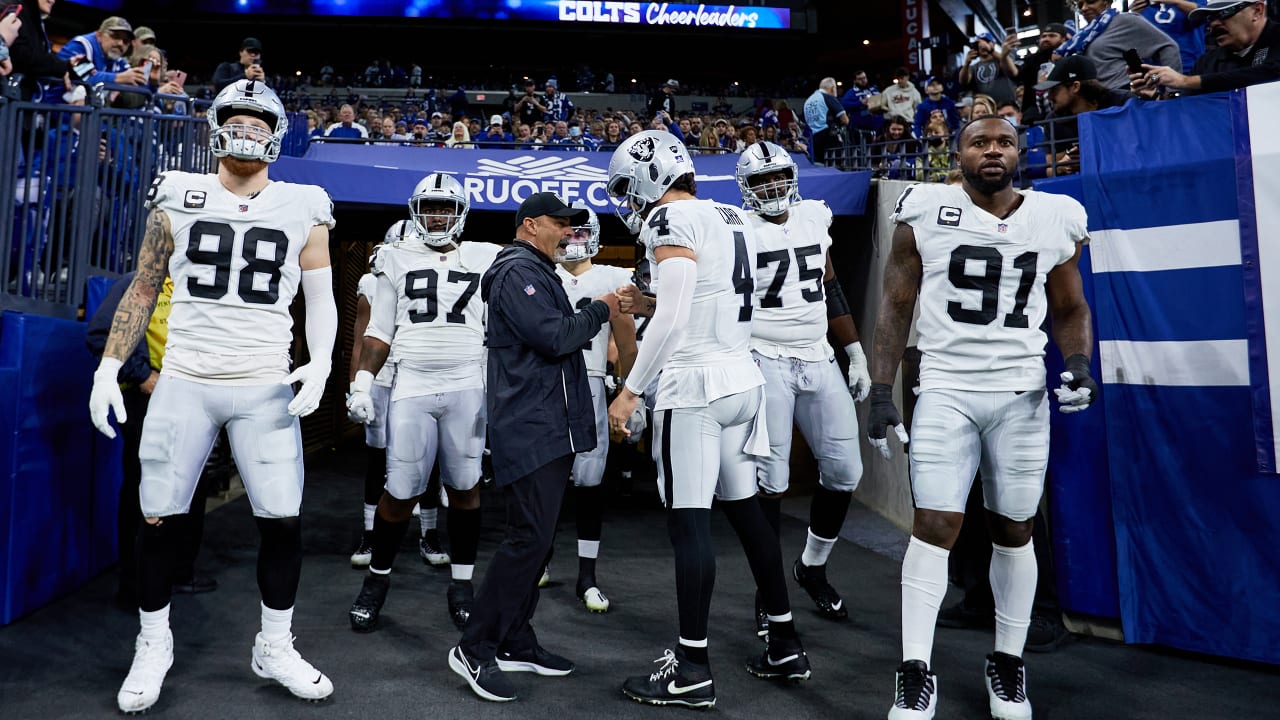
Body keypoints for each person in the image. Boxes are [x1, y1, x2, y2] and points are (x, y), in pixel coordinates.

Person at [87, 79, 337, 713]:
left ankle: (274, 645)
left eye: (259, 123)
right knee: (157, 519)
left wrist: (323, 361)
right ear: (216, 126)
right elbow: (143, 287)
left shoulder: (304, 203)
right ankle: (153, 643)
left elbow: (320, 296)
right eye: (237, 120)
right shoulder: (177, 193)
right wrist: (109, 365)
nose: (247, 131)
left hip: (263, 382)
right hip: (186, 380)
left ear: (276, 133)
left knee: (282, 520)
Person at [866, 116, 1097, 720]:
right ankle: (916, 669)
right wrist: (880, 388)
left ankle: (1008, 663)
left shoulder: (1056, 216)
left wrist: (1076, 364)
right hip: (946, 386)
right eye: (979, 142)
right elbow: (895, 306)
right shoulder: (924, 209)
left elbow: (1071, 306)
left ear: (1021, 152)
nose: (992, 151)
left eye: (1003, 142)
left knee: (1015, 527)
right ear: (958, 153)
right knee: (935, 524)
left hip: (1021, 391)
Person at [605, 130, 811, 709]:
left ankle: (691, 667)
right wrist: (652, 306)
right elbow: (708, 295)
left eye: (628, 187)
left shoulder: (667, 221)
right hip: (742, 379)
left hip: (693, 386)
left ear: (651, 175)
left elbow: (670, 322)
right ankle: (785, 641)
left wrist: (630, 391)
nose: (629, 201)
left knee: (690, 525)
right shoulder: (733, 214)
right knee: (747, 515)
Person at [448, 192, 618, 703]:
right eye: (559, 224)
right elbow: (554, 337)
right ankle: (475, 647)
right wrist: (600, 308)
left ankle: (516, 639)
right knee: (527, 540)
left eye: (571, 224)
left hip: (547, 423)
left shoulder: (539, 271)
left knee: (539, 541)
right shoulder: (516, 269)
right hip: (529, 424)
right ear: (529, 226)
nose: (568, 231)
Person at [346, 174, 497, 634]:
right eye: (430, 207)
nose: (437, 216)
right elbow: (379, 330)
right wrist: (361, 383)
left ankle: (463, 586)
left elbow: (499, 330)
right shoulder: (393, 258)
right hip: (411, 381)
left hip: (467, 383)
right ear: (416, 211)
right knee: (401, 488)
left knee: (467, 487)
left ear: (461, 212)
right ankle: (376, 584)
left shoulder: (487, 256)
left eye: (445, 208)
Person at [733, 141, 872, 636]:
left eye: (778, 178)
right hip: (763, 355)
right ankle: (768, 598)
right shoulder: (738, 228)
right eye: (761, 181)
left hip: (817, 352)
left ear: (790, 177)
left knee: (845, 471)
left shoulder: (814, 215)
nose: (772, 188)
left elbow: (829, 284)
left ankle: (811, 567)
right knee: (770, 480)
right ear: (746, 188)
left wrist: (853, 350)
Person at [86, 271, 217, 611]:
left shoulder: (202, 285)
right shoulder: (137, 283)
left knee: (194, 487)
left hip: (192, 399)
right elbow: (101, 334)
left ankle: (180, 573)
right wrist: (142, 375)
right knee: (143, 492)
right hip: (149, 398)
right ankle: (134, 587)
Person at [553, 203, 638, 613]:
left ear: (594, 237)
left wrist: (632, 394)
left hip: (587, 382)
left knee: (589, 482)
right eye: (566, 233)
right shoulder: (537, 273)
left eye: (580, 233)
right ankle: (541, 558)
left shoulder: (612, 278)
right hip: (543, 385)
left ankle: (587, 574)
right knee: (543, 482)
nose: (572, 241)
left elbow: (626, 345)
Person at [1130, 0, 1280, 95]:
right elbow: (1186, 108)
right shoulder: (1207, 62)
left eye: (1223, 13)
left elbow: (1270, 73)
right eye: (1210, 18)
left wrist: (1187, 81)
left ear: (1257, 11)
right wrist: (1154, 93)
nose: (1214, 24)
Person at [1060, 0, 1182, 91]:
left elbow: (1168, 47)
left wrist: (1172, 92)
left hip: (1125, 96)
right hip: (1099, 101)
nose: (1084, 8)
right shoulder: (1083, 36)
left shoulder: (1125, 20)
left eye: (1091, 1)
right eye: (1080, 5)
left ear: (1107, 2)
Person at [56, 16, 147, 88]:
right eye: (115, 36)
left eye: (125, 41)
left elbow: (138, 83)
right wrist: (118, 78)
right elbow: (84, 76)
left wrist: (153, 82)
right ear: (99, 35)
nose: (120, 43)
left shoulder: (118, 61)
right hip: (55, 107)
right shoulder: (81, 45)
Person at [958, 33, 1018, 107]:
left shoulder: (1002, 59)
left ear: (993, 43)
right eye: (979, 44)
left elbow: (1011, 69)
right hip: (986, 108)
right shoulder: (973, 67)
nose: (982, 45)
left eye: (986, 41)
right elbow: (963, 81)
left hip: (1006, 106)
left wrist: (991, 50)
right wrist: (967, 63)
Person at [802, 77, 848, 165]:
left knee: (818, 164)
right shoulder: (827, 97)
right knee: (837, 165)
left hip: (813, 138)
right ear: (832, 88)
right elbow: (845, 119)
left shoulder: (808, 101)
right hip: (828, 137)